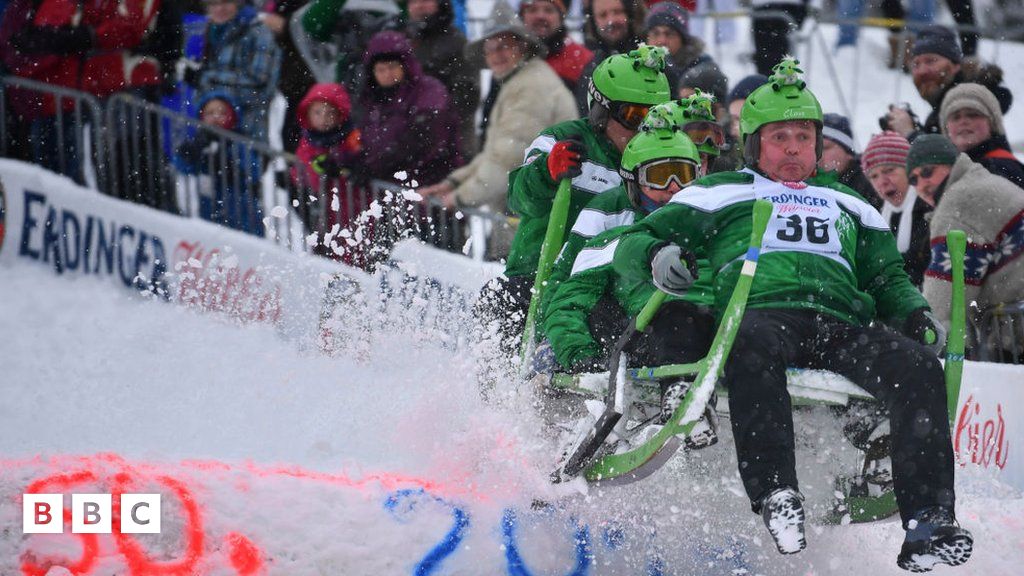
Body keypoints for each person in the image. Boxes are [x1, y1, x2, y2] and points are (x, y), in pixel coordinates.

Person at [611, 58, 972, 570]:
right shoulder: (719, 191)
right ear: (755, 143)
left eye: (805, 137)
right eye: (780, 138)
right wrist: (657, 257)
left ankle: (928, 522)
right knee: (749, 342)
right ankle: (778, 492)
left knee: (917, 367)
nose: (795, 149)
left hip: (838, 322)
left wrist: (914, 315)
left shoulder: (848, 202)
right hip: (760, 312)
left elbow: (885, 277)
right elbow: (638, 238)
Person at [478, 45, 671, 351]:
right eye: (634, 116)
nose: (642, 131)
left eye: (655, 119)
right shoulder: (564, 140)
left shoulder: (664, 158)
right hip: (539, 272)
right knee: (501, 300)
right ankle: (497, 392)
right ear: (602, 110)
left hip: (608, 279)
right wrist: (545, 172)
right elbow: (518, 199)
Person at [418, 3, 576, 260]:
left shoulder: (530, 87)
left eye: (504, 45)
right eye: (490, 48)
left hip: (535, 221)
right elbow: (496, 152)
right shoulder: (520, 80)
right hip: (527, 213)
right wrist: (453, 183)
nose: (496, 55)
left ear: (522, 46)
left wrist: (459, 197)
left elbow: (507, 162)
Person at [913, 134, 1024, 362]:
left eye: (927, 172)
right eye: (913, 180)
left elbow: (946, 295)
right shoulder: (983, 182)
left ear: (951, 164)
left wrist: (932, 345)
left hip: (1017, 333)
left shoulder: (958, 201)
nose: (922, 184)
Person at [356, 30, 461, 188]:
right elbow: (361, 138)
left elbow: (424, 138)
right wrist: (348, 161)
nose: (387, 74)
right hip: (391, 192)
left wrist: (374, 166)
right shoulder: (372, 101)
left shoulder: (429, 91)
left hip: (429, 189)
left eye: (392, 67)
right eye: (380, 69)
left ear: (404, 65)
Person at [882, 25, 1011, 142]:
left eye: (931, 61)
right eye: (916, 64)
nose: (922, 71)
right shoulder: (939, 114)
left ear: (955, 66)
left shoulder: (973, 104)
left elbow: (951, 161)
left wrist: (910, 134)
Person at [187, 0, 282, 143]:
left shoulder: (258, 32)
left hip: (248, 128)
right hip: (214, 130)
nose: (219, 9)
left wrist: (207, 78)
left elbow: (259, 81)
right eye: (213, 4)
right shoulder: (212, 30)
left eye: (225, 3)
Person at [291, 83, 365, 263]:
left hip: (350, 203)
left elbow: (358, 159)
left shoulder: (351, 137)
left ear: (340, 115)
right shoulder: (308, 140)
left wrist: (340, 164)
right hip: (321, 205)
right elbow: (303, 169)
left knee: (351, 244)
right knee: (323, 246)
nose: (323, 118)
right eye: (317, 112)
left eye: (330, 113)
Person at [174, 92, 264, 236]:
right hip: (208, 208)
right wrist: (188, 154)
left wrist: (229, 165)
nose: (216, 117)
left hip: (239, 209)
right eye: (210, 113)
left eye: (222, 113)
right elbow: (184, 168)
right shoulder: (199, 142)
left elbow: (252, 172)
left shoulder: (239, 142)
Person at [406, 0, 480, 158]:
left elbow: (467, 98)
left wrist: (429, 118)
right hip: (410, 147)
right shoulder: (406, 40)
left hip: (451, 149)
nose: (419, 6)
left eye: (425, 1)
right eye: (413, 1)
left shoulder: (457, 43)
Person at [861, 131, 931, 287]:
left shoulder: (929, 209)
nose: (882, 182)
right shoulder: (873, 214)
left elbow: (919, 266)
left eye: (889, 171)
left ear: (910, 170)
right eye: (874, 176)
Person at [939, 83, 1024, 189]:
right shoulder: (944, 172)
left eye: (973, 114)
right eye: (955, 117)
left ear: (992, 123)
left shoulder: (1000, 167)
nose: (963, 121)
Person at [260, 1, 317, 152]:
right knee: (290, 135)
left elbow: (311, 29)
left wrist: (286, 27)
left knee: (304, 135)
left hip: (308, 79)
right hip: (291, 80)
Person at [575, 0, 647, 114]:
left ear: (631, 14)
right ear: (594, 21)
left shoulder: (650, 58)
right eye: (603, 15)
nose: (611, 21)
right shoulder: (592, 67)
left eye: (617, 12)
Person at [642, 1, 724, 100]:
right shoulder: (637, 65)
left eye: (669, 34)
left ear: (682, 38)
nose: (662, 41)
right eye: (655, 33)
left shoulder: (699, 65)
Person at [519, 0, 594, 96]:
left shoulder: (582, 60)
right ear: (522, 16)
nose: (540, 16)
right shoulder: (507, 56)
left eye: (548, 10)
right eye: (533, 10)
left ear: (561, 16)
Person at [820, 113, 880, 208]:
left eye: (825, 148)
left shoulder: (872, 181)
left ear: (848, 152)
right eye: (813, 149)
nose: (818, 155)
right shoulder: (807, 183)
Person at [750, 0, 808, 76]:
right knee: (775, 56)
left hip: (764, 8)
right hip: (789, 8)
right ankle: (775, 77)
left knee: (766, 56)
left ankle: (768, 78)